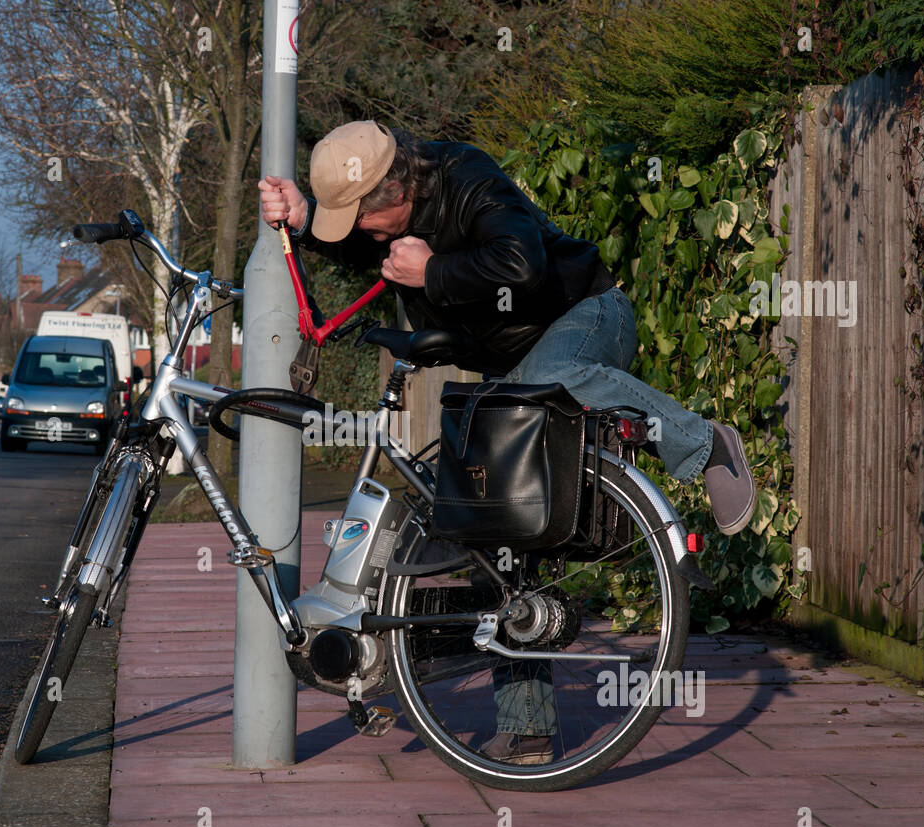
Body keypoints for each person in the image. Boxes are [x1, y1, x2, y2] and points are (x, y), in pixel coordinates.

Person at [258, 120, 753, 764]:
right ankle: (526, 725)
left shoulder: (469, 177)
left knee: (550, 378)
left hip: (584, 318)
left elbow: (522, 264)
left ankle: (705, 442)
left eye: (366, 218)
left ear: (398, 189)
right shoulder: (388, 214)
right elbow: (367, 248)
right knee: (505, 537)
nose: (366, 233)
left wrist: (433, 269)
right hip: (511, 373)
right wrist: (303, 221)